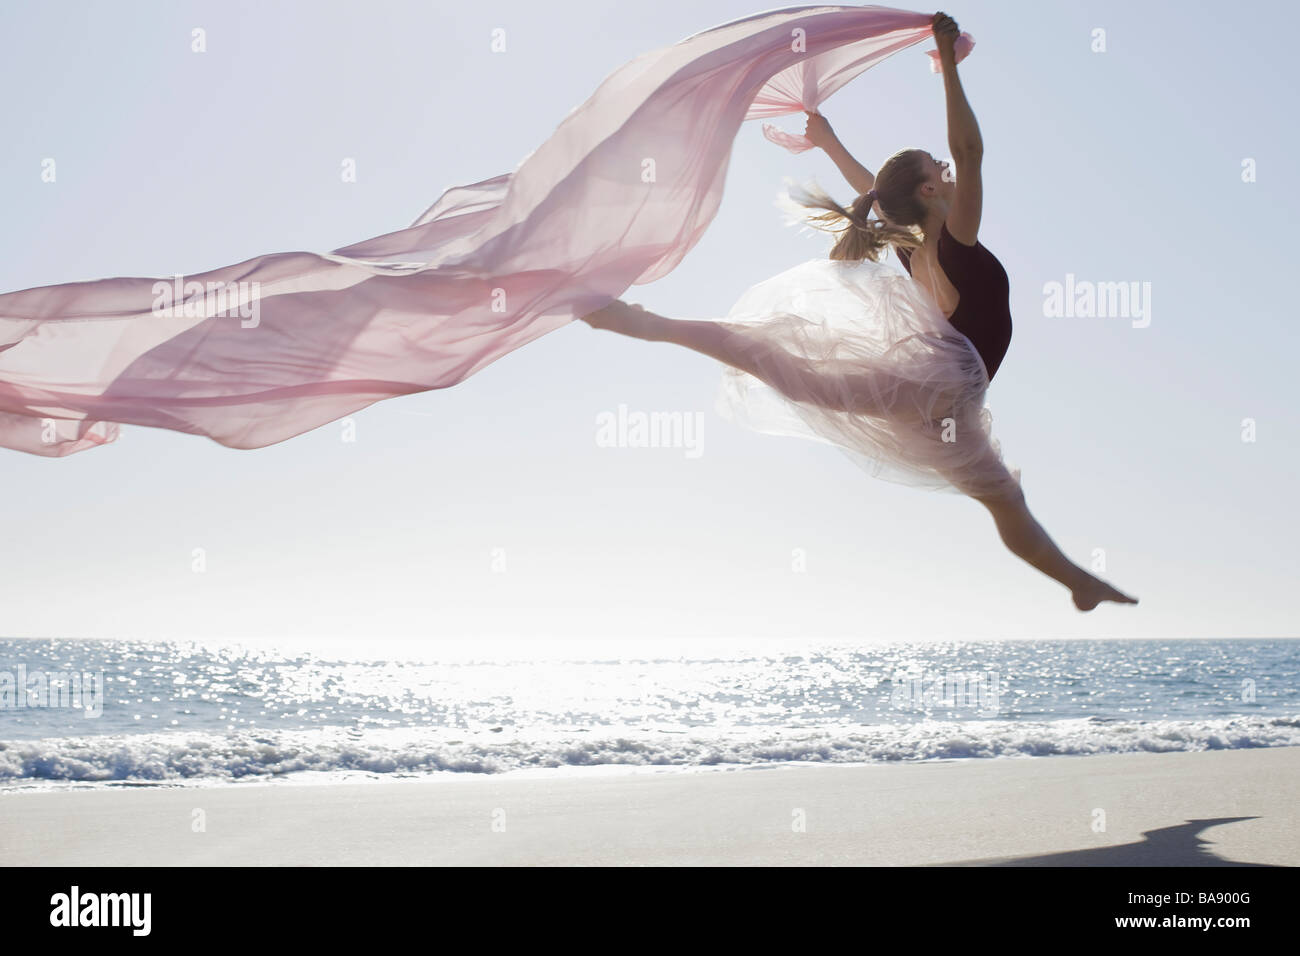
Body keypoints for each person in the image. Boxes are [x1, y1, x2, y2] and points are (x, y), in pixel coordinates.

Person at [579, 13, 1137, 612]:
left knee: (1001, 498)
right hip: (943, 386)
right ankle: (647, 324)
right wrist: (946, 61)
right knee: (795, 370)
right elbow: (970, 151)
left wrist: (827, 140)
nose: (948, 168)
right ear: (929, 192)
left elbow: (877, 189)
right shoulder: (954, 243)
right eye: (937, 166)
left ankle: (1078, 584)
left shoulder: (914, 244)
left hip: (950, 405)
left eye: (940, 163)